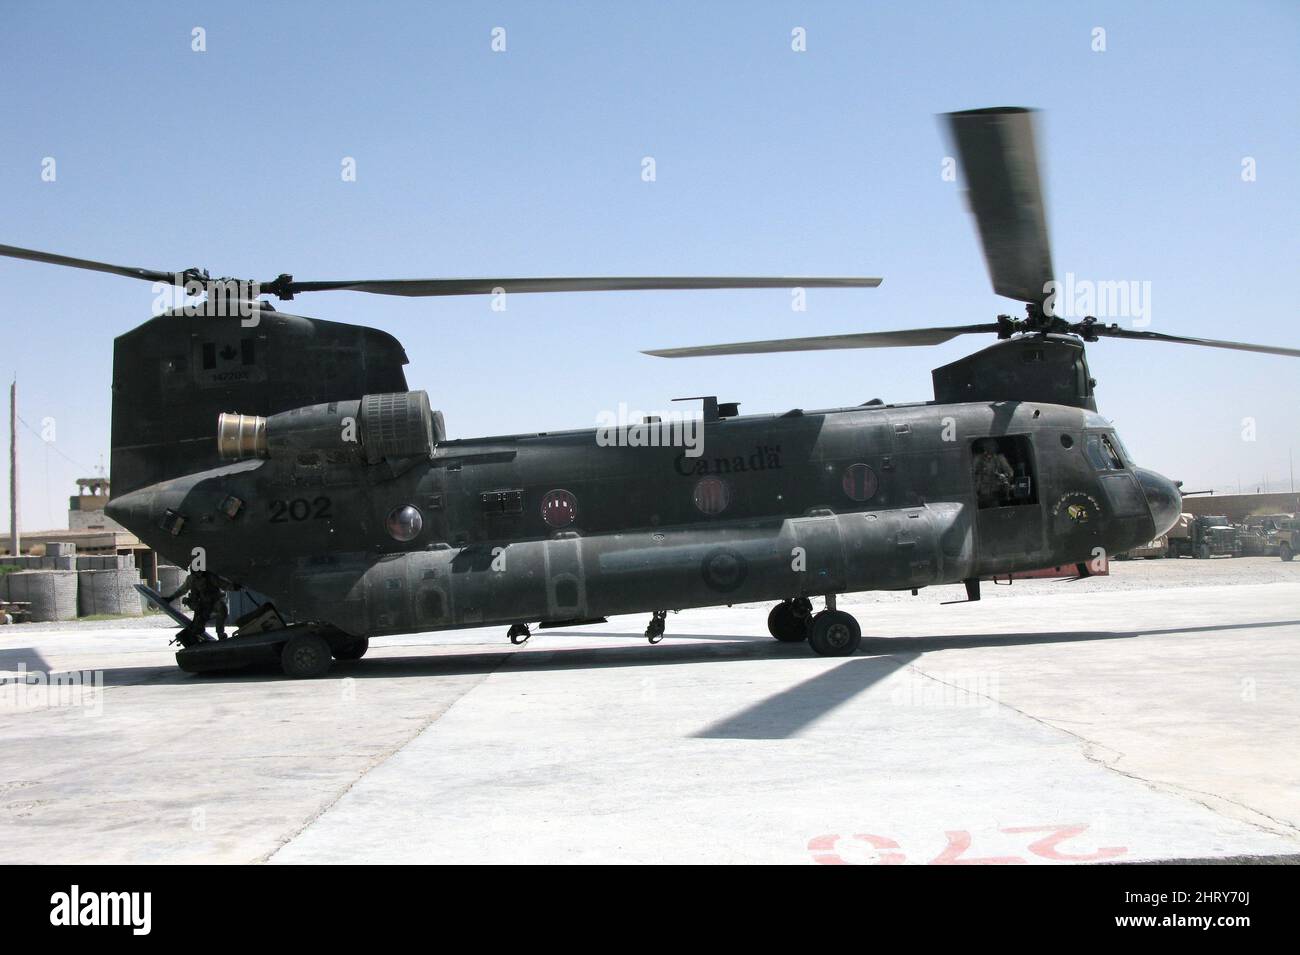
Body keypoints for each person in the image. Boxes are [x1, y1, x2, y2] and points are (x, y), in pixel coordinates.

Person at [164, 570, 229, 646]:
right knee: (197, 628)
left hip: (213, 602)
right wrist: (171, 598)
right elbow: (183, 589)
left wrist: (234, 586)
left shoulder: (211, 577)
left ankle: (220, 633)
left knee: (222, 608)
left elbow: (223, 584)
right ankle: (193, 639)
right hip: (200, 606)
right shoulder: (191, 579)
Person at [972, 439, 1015, 508]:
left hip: (994, 494)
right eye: (988, 445)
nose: (992, 447)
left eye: (993, 446)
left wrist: (1004, 476)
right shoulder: (977, 459)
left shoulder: (1000, 458)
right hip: (979, 494)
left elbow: (1010, 472)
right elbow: (971, 473)